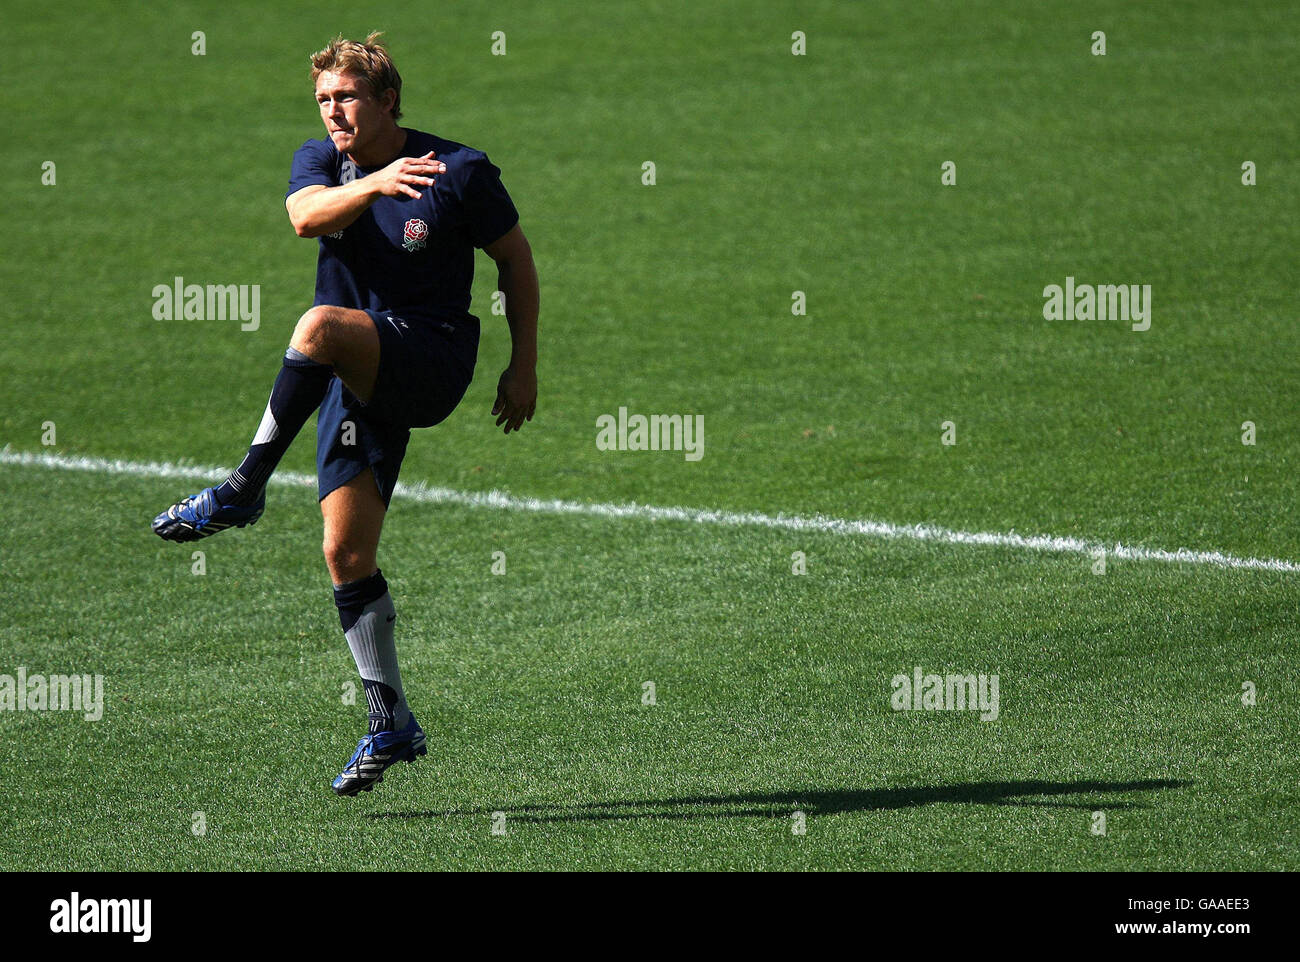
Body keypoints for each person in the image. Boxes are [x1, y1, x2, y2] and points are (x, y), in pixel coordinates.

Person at [151, 32, 539, 796]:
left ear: (388, 99)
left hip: (429, 357)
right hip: (354, 375)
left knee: (318, 324)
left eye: (348, 96)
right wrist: (372, 182)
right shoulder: (324, 162)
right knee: (346, 555)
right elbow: (306, 217)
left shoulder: (459, 170)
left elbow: (516, 261)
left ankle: (241, 489)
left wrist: (522, 364)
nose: (334, 111)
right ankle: (391, 720)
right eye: (325, 98)